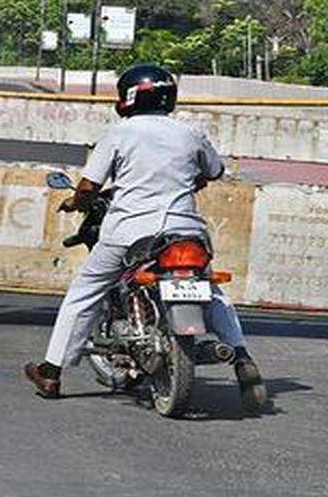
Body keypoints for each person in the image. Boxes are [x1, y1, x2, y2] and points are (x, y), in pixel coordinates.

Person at [22, 63, 265, 409]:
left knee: (85, 291)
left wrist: (76, 202)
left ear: (129, 96)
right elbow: (213, 171)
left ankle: (51, 371)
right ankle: (241, 356)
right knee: (211, 291)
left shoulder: (120, 133)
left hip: (129, 230)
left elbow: (90, 185)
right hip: (185, 230)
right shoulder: (190, 133)